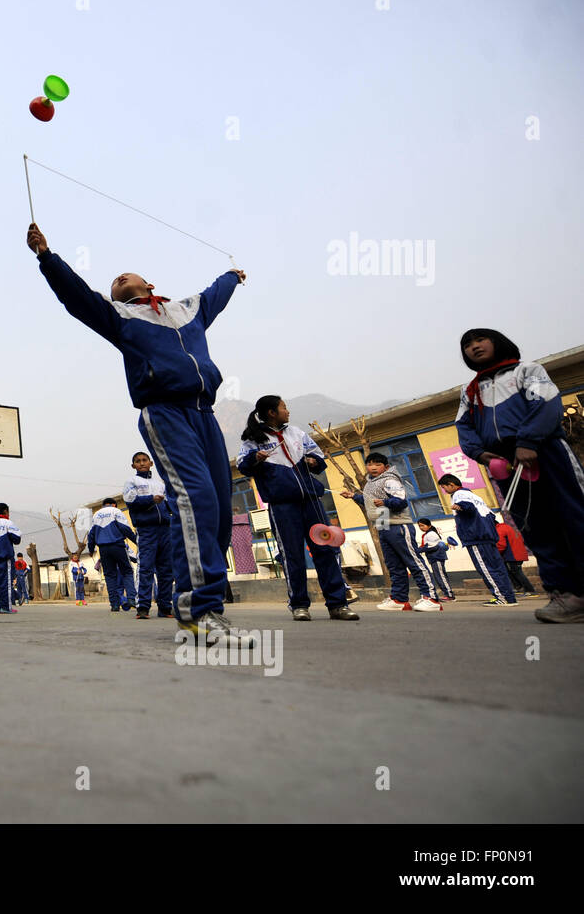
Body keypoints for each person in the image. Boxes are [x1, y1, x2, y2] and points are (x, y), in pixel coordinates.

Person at [27, 223, 254, 647]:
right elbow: (76, 297)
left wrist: (233, 277)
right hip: (165, 412)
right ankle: (201, 612)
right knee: (194, 497)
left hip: (204, 414)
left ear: (149, 284)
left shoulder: (187, 309)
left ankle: (200, 603)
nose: (117, 279)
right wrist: (47, 257)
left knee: (219, 512)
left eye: (125, 275)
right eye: (113, 281)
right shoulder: (120, 317)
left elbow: (216, 293)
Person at [456, 328, 584, 623]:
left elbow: (546, 405)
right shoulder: (470, 391)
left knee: (573, 516)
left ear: (497, 342)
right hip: (505, 463)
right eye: (467, 345)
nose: (474, 347)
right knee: (535, 527)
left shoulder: (527, 371)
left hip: (545, 452)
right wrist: (480, 454)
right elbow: (464, 427)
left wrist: (528, 441)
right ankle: (565, 595)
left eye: (480, 340)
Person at [237, 396, 358, 621]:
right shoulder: (253, 440)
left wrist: (313, 461)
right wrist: (256, 458)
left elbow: (319, 456)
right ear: (272, 412)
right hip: (283, 506)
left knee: (326, 550)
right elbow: (243, 466)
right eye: (284, 407)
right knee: (292, 555)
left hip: (312, 501)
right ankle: (299, 605)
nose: (287, 411)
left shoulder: (296, 433)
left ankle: (338, 604)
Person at [340, 452, 439, 611]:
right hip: (382, 524)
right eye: (370, 464)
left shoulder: (390, 479)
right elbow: (369, 502)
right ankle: (399, 599)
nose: (373, 467)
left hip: (398, 525)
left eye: (377, 464)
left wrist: (385, 502)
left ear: (385, 467)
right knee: (394, 565)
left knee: (413, 561)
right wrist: (353, 496)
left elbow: (401, 502)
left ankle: (431, 598)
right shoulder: (370, 483)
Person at [437, 474, 519, 605]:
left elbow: (467, 506)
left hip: (476, 537)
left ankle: (501, 597)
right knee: (498, 568)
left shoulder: (458, 495)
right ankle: (509, 597)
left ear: (452, 484)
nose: (445, 490)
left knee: (486, 568)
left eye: (444, 487)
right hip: (488, 536)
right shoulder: (476, 496)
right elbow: (492, 517)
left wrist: (460, 506)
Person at [123, 451, 177, 619]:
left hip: (165, 530)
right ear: (133, 466)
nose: (141, 463)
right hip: (146, 530)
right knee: (145, 567)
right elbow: (130, 500)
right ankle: (143, 607)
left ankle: (165, 607)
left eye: (144, 460)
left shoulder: (160, 483)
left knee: (166, 569)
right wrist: (150, 500)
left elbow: (169, 504)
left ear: (151, 463)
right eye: (138, 461)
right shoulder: (132, 482)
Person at [87, 498, 138, 613]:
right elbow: (126, 529)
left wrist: (90, 549)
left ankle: (114, 605)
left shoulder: (96, 515)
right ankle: (131, 598)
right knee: (127, 572)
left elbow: (91, 535)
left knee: (110, 576)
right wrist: (136, 542)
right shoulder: (116, 512)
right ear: (114, 504)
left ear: (103, 505)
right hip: (118, 546)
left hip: (103, 550)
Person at [494, 517, 537, 598]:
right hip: (516, 553)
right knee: (510, 571)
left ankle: (530, 590)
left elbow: (501, 545)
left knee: (517, 572)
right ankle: (518, 587)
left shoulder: (500, 529)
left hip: (513, 555)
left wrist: (495, 554)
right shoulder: (508, 527)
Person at [416, 518, 454, 601]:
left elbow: (432, 546)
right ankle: (447, 594)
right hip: (434, 558)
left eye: (423, 525)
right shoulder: (427, 534)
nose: (421, 527)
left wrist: (418, 550)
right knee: (439, 576)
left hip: (437, 557)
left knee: (441, 576)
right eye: (419, 526)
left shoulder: (431, 534)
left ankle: (450, 595)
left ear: (429, 525)